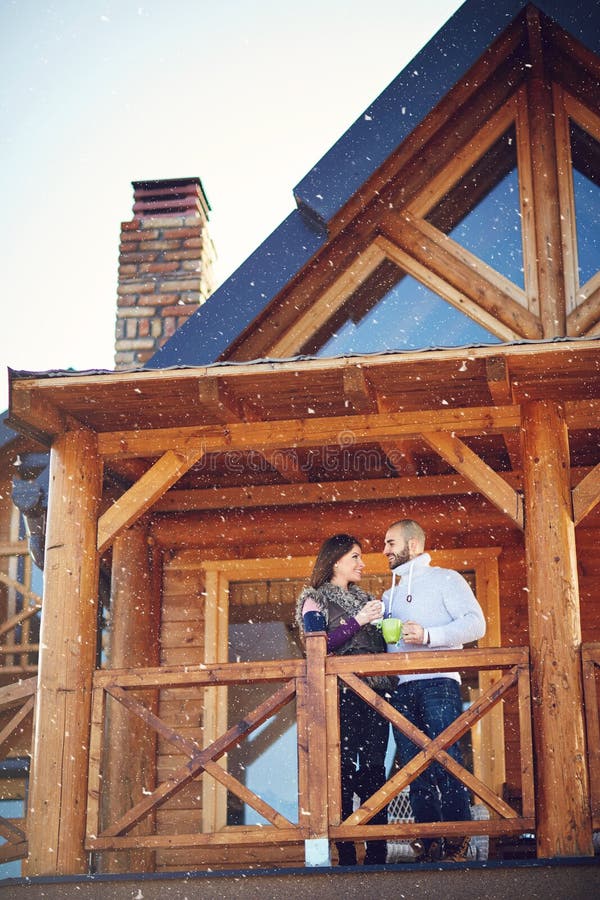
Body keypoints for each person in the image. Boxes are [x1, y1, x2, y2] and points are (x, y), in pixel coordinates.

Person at [381, 519, 486, 864]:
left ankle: (457, 838)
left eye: (390, 543)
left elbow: (476, 624)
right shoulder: (388, 595)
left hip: (440, 681)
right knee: (414, 766)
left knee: (447, 760)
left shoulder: (446, 579)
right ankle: (428, 841)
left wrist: (428, 636)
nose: (385, 551)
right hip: (402, 687)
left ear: (413, 545)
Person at [296, 533, 392, 867]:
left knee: (374, 770)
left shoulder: (366, 598)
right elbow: (317, 643)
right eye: (355, 556)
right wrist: (360, 620)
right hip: (339, 696)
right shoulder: (314, 599)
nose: (362, 563)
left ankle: (378, 851)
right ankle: (347, 851)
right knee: (342, 771)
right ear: (336, 561)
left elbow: (377, 646)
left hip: (375, 695)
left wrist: (383, 625)